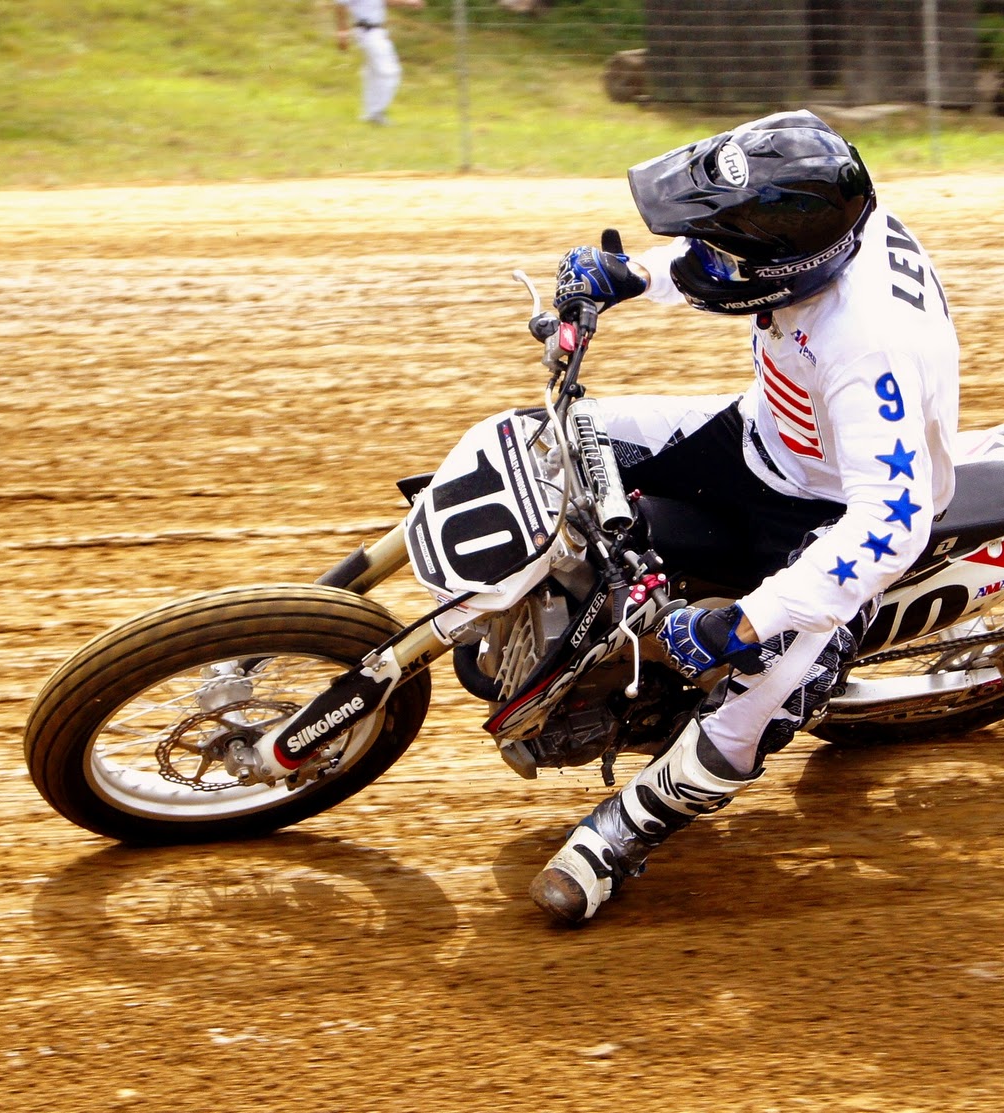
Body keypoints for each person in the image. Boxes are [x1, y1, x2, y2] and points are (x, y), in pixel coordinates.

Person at [530, 109, 961, 925]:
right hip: (764, 435)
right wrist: (634, 276)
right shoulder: (822, 226)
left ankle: (629, 827)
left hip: (837, 515)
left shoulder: (868, 344)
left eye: (722, 249)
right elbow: (725, 257)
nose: (707, 256)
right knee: (547, 443)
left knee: (752, 704)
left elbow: (890, 524)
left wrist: (743, 623)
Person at [334, 0, 425, 126]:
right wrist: (342, 32)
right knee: (390, 72)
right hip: (368, 31)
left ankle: (371, 113)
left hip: (376, 31)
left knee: (373, 73)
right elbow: (341, 4)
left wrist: (408, 3)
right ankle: (376, 112)